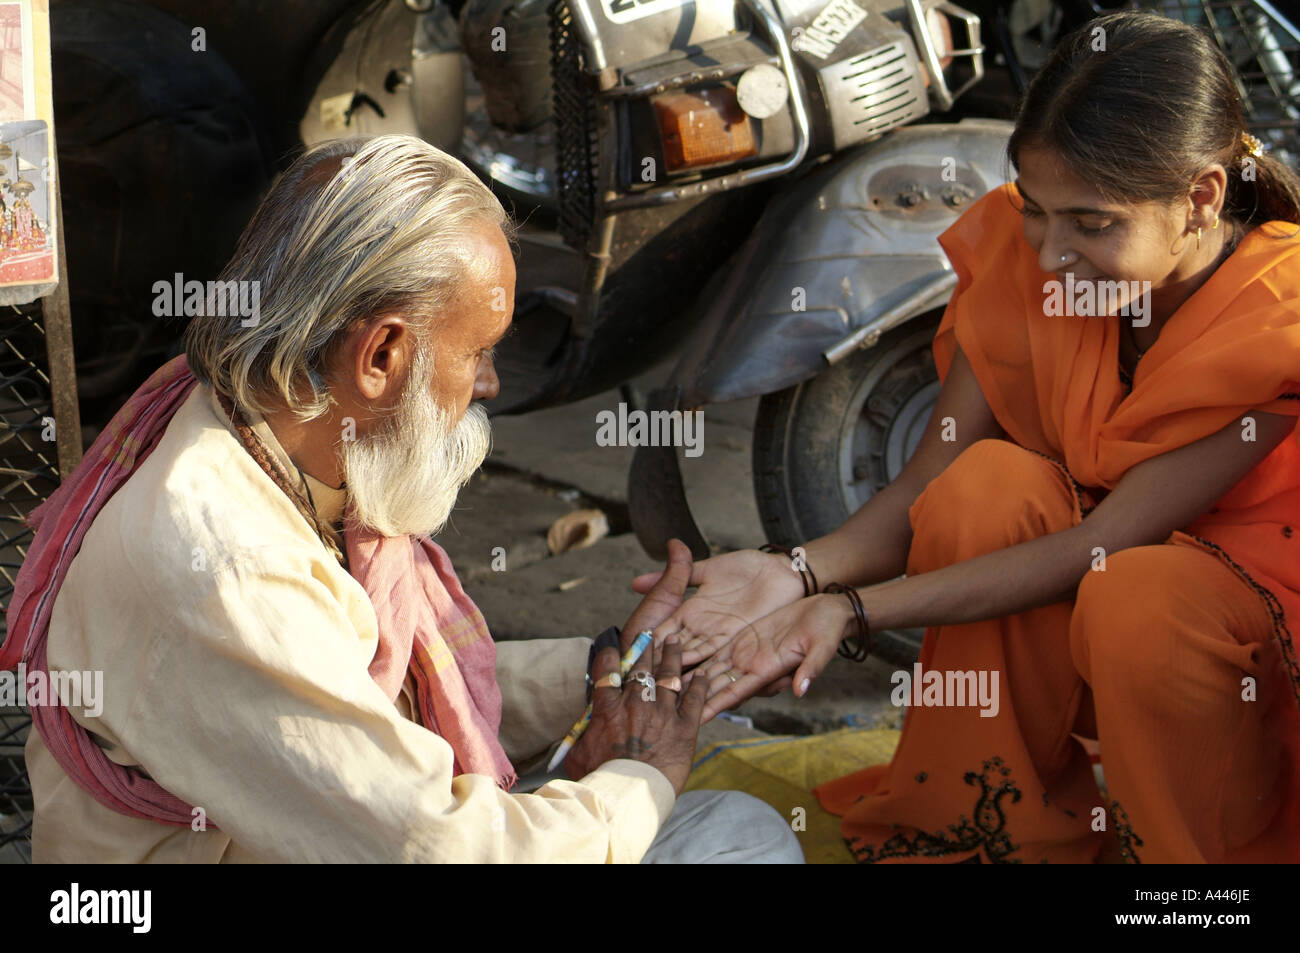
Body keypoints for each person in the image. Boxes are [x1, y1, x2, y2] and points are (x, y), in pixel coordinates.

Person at [3, 135, 803, 863]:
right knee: (736, 842)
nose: (487, 385)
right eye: (480, 353)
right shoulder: (227, 565)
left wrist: (619, 661)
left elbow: (380, 699)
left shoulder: (258, 425)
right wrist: (642, 773)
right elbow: (440, 848)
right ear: (380, 354)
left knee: (729, 829)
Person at [642, 11, 1300, 863]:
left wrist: (847, 612)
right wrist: (795, 569)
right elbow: (925, 487)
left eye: (1093, 225)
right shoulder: (1031, 258)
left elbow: (1104, 545)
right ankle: (992, 836)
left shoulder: (1277, 320)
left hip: (1235, 660)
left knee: (1138, 597)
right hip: (1099, 626)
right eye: (1037, 210)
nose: (1053, 254)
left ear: (1203, 199)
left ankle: (1194, 886)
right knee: (986, 489)